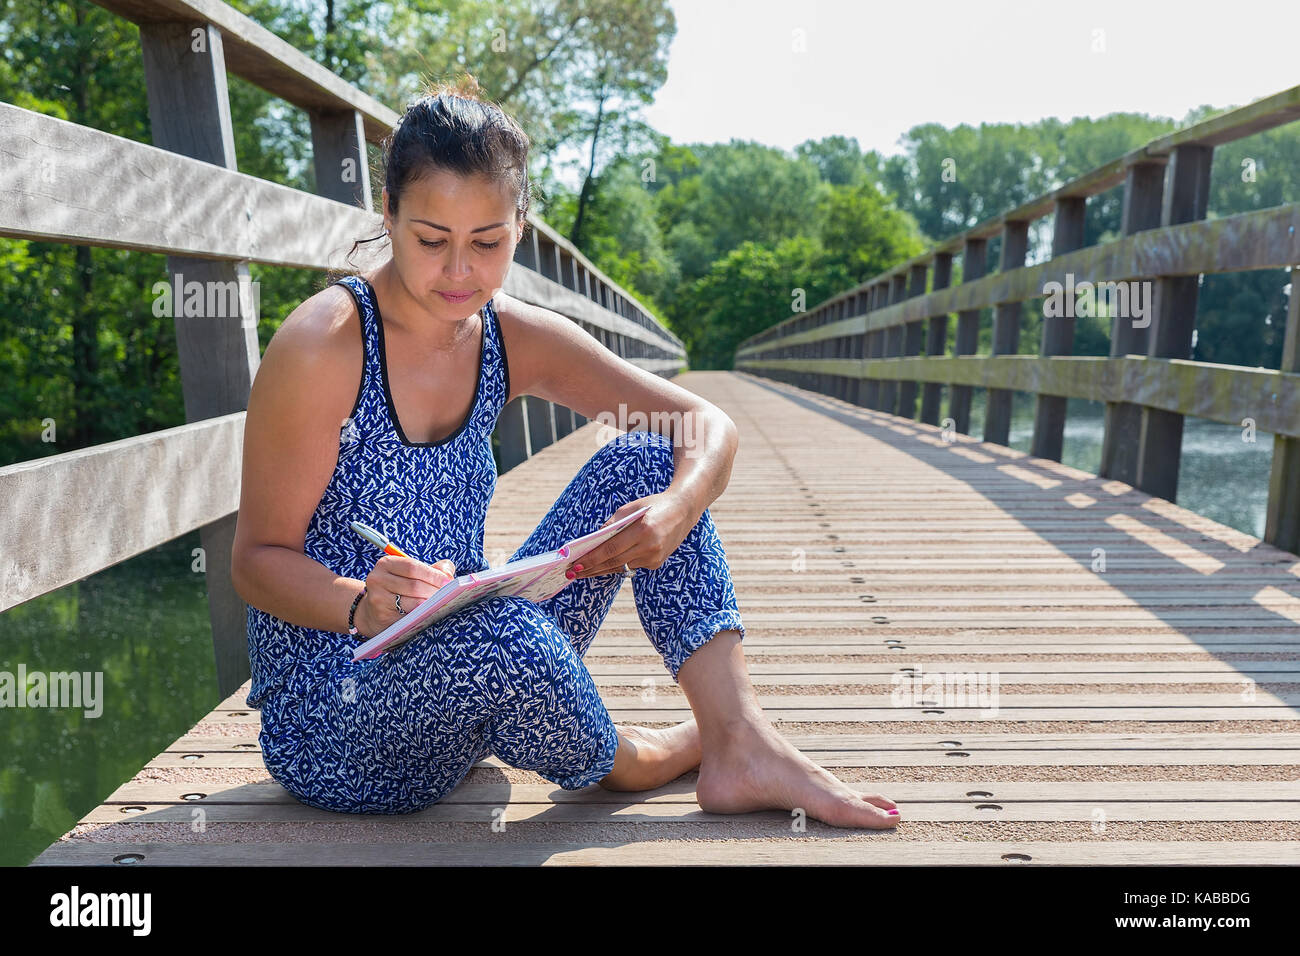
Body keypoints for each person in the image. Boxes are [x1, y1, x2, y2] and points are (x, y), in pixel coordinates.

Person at [230, 73, 900, 829]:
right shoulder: (324, 344)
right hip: (339, 721)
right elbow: (256, 560)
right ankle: (636, 757)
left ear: (521, 226)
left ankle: (738, 738)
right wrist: (359, 603)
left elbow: (705, 426)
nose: (459, 273)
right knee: (505, 639)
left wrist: (677, 507)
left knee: (646, 463)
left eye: (487, 242)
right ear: (388, 214)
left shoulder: (510, 336)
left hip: (471, 663)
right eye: (430, 240)